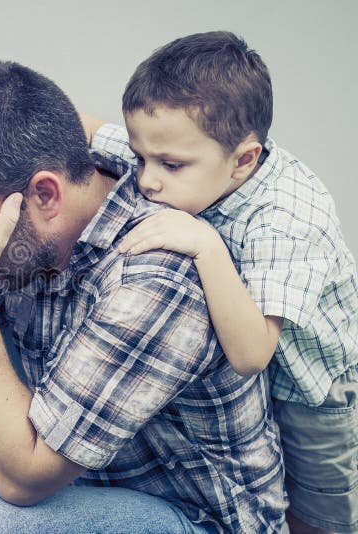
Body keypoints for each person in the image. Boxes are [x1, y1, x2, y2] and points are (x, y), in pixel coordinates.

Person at [0, 60, 286, 533]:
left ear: (45, 195)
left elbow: (26, 480)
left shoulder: (155, 273)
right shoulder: (16, 232)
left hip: (199, 516)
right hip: (90, 468)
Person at [84, 31, 358, 534]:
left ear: (244, 161)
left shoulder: (288, 219)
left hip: (311, 388)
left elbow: (253, 352)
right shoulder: (182, 147)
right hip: (253, 384)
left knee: (318, 516)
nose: (146, 180)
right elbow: (85, 128)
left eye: (168, 165)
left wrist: (205, 245)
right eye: (141, 157)